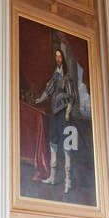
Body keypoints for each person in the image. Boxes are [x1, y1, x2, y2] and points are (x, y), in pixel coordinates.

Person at [24, 42, 79, 195]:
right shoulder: (55, 77)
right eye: (56, 57)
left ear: (63, 59)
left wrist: (68, 111)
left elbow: (72, 97)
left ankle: (68, 181)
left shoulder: (67, 78)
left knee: (67, 148)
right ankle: (53, 177)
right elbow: (47, 91)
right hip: (55, 115)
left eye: (59, 56)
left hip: (65, 116)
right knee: (53, 144)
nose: (58, 59)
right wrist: (38, 100)